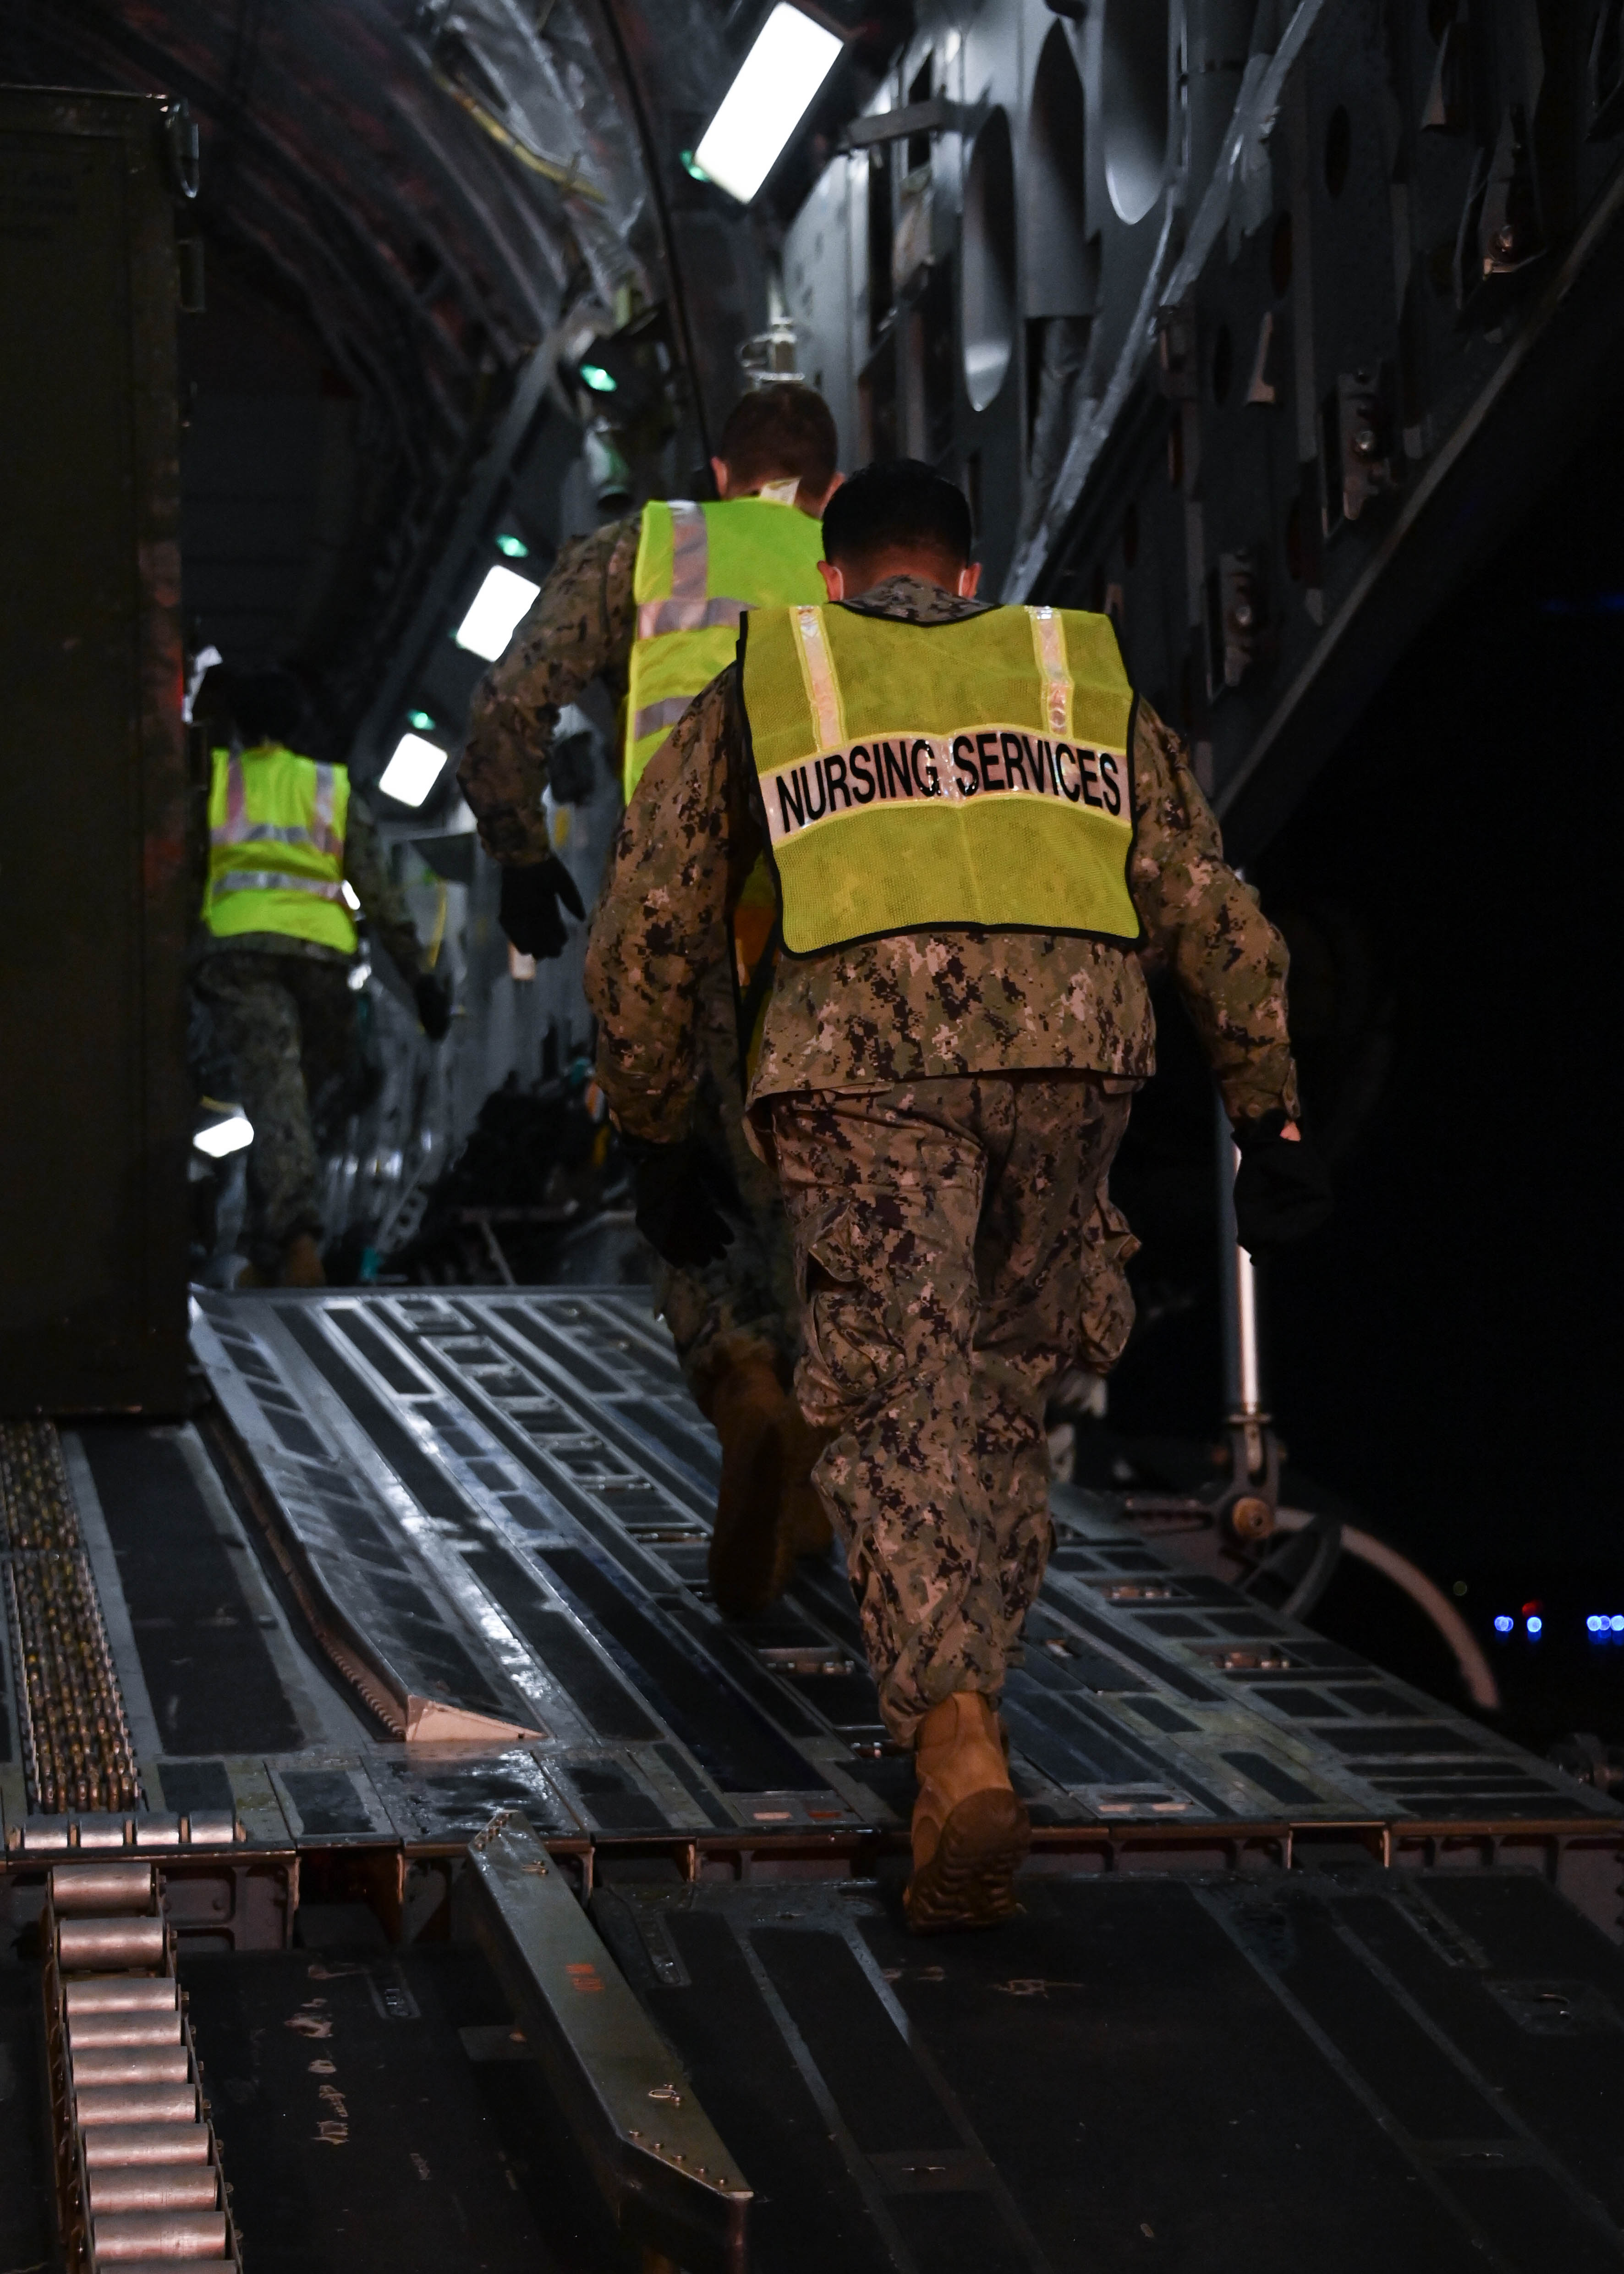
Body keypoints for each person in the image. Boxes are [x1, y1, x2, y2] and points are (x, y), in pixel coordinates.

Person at [584, 459, 1329, 1933]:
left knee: (897, 1397)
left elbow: (653, 922)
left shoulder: (781, 676)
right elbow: (1206, 901)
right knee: (995, 1396)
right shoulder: (1069, 671)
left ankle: (957, 1735)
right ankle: (964, 1726)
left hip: (866, 1071)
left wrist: (658, 1128)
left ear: (838, 584)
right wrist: (1271, 1106)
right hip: (1077, 1064)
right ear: (973, 579)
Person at [458, 382, 846, 1615]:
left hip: (678, 900)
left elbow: (510, 708)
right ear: (824, 488)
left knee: (684, 1170)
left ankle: (742, 1380)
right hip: (832, 901)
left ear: (722, 473)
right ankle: (815, 1467)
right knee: (819, 1180)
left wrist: (521, 855)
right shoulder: (857, 558)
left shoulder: (650, 548)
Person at [192, 667, 451, 1288]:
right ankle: (267, 1249)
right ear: (301, 725)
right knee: (294, 1103)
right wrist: (420, 979)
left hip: (241, 954)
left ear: (236, 724)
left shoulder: (213, 787)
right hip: (322, 962)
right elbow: (382, 896)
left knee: (277, 1100)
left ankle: (295, 1241)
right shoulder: (328, 790)